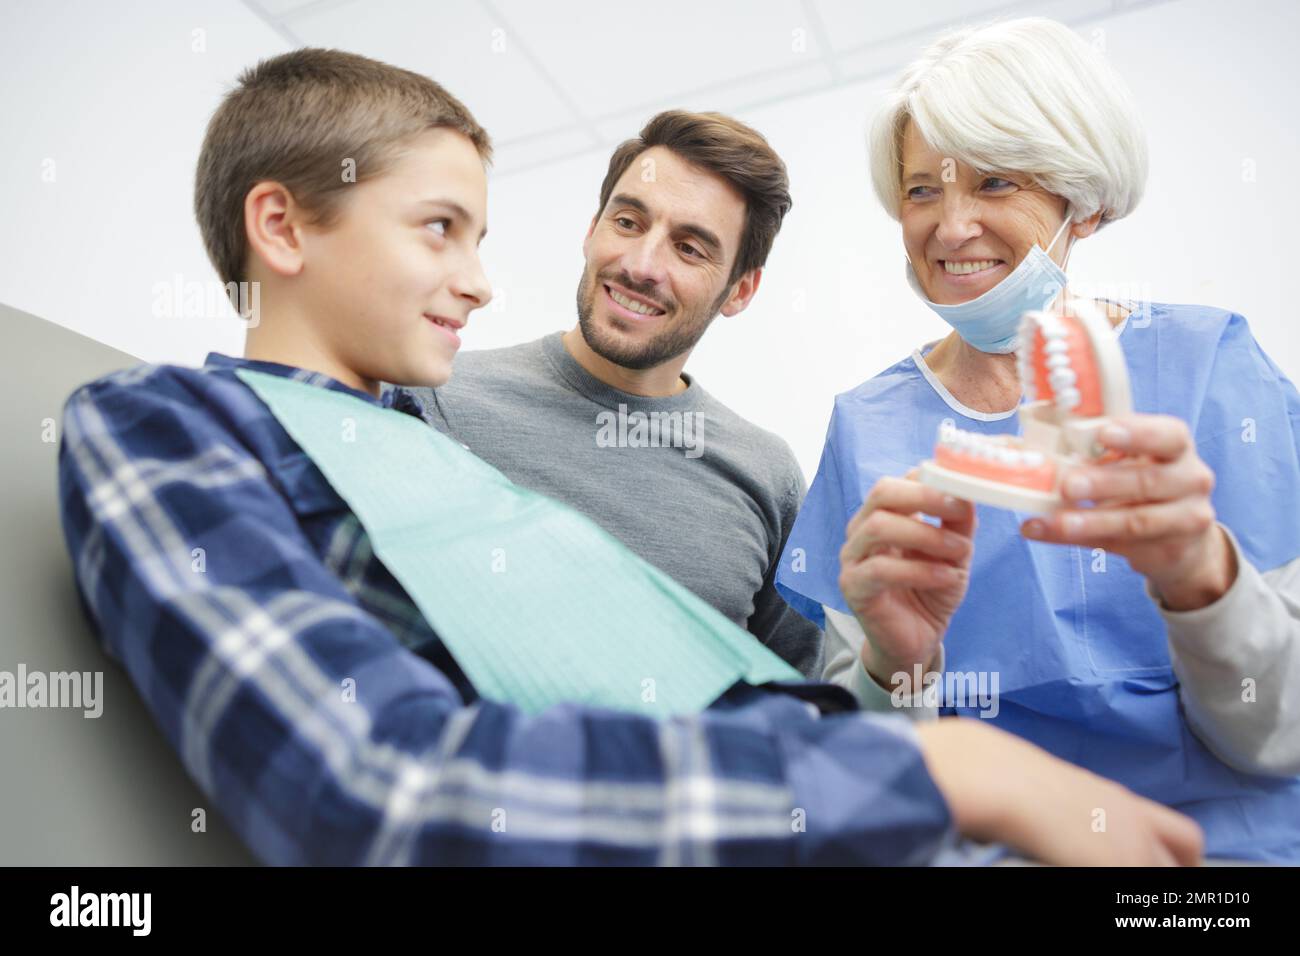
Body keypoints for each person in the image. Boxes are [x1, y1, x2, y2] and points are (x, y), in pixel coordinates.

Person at [58, 47, 1201, 866]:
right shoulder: (178, 424)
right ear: (284, 226)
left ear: (738, 288)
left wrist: (903, 684)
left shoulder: (444, 447)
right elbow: (382, 785)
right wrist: (940, 771)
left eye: (694, 245)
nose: (480, 278)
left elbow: (790, 692)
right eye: (439, 229)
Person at [776, 17, 1300, 862]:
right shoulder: (867, 429)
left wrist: (1203, 579)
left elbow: (1283, 734)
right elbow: (863, 783)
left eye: (994, 183)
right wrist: (894, 665)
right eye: (920, 191)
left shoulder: (1211, 370)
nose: (949, 228)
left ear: (1083, 204)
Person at [416, 111, 821, 677]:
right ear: (592, 228)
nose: (640, 266)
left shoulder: (766, 476)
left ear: (741, 290)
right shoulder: (435, 399)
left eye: (689, 248)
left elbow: (798, 706)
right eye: (628, 222)